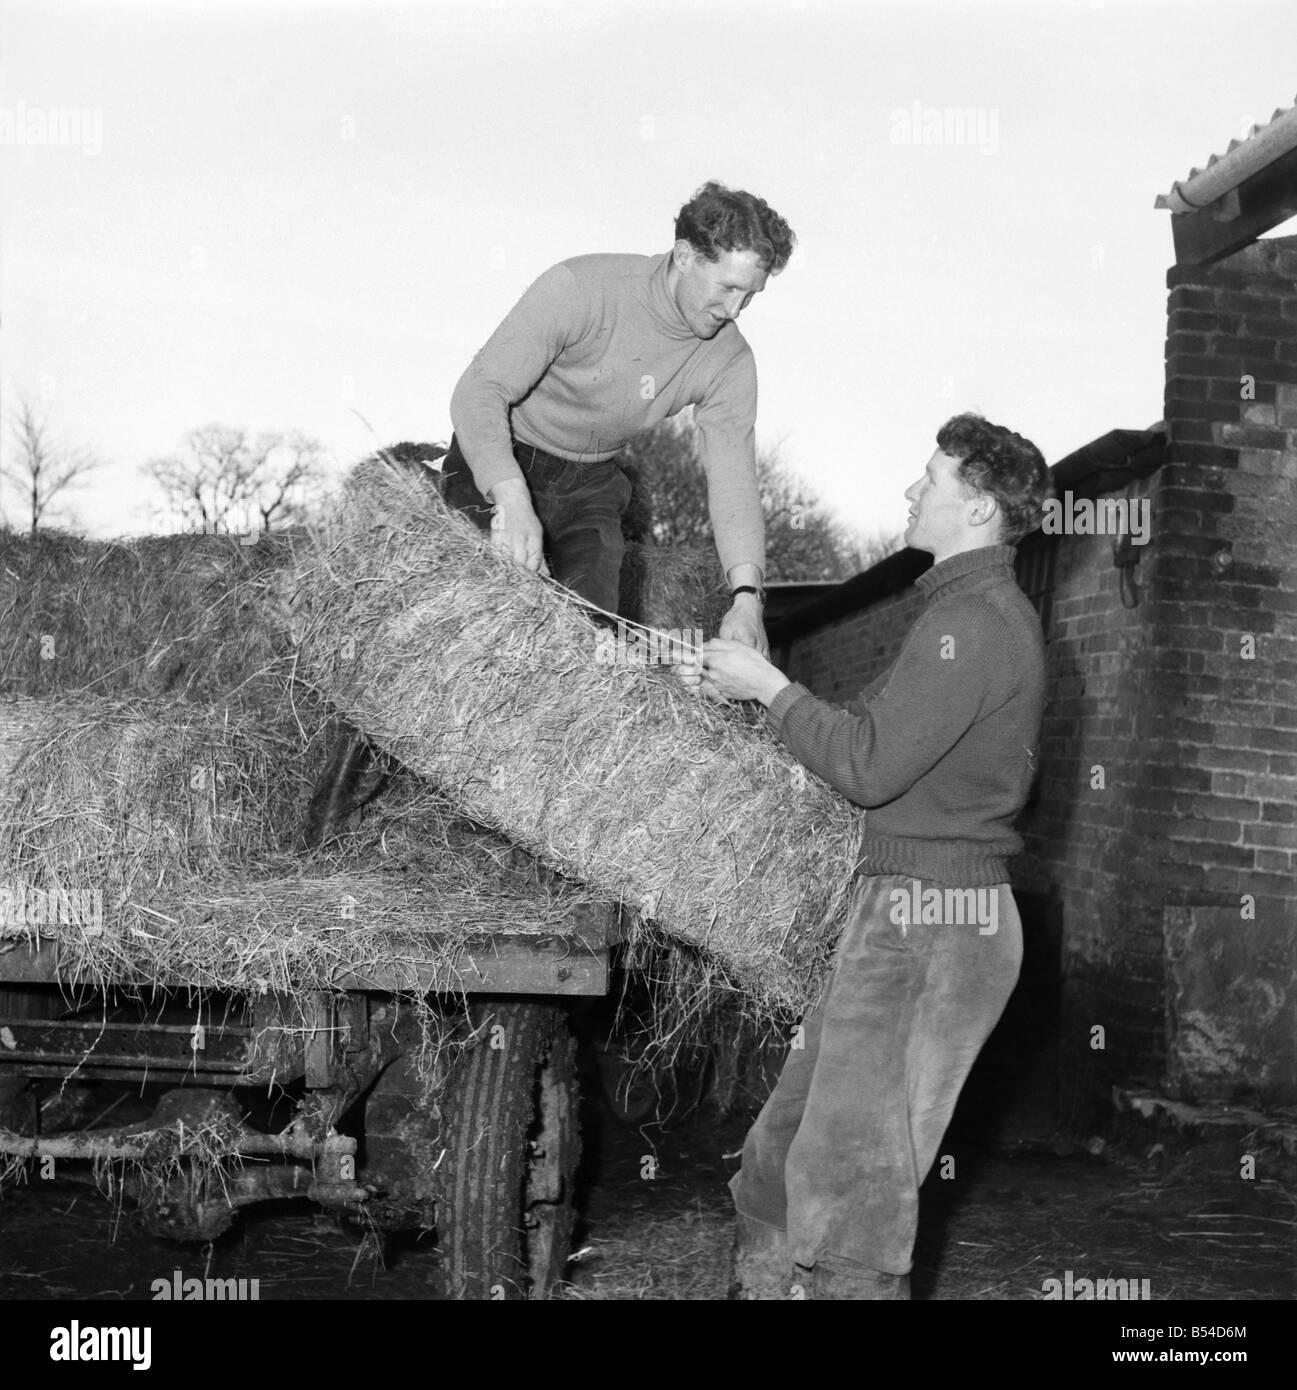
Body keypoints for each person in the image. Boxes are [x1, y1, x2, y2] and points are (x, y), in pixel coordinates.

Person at [677, 413, 1051, 1299]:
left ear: (978, 509)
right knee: (781, 1152)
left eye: (931, 478)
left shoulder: (981, 624)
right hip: (901, 908)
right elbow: (871, 736)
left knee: (853, 1184)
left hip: (935, 921)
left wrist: (769, 688)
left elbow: (866, 765)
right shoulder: (953, 613)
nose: (911, 491)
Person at [442, 181, 795, 653]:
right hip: (504, 454)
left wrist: (748, 598)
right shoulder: (579, 288)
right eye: (728, 287)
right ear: (685, 255)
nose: (734, 311)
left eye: (750, 295)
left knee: (586, 644)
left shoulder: (729, 362)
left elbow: (733, 479)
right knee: (474, 618)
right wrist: (510, 498)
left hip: (590, 487)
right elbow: (478, 390)